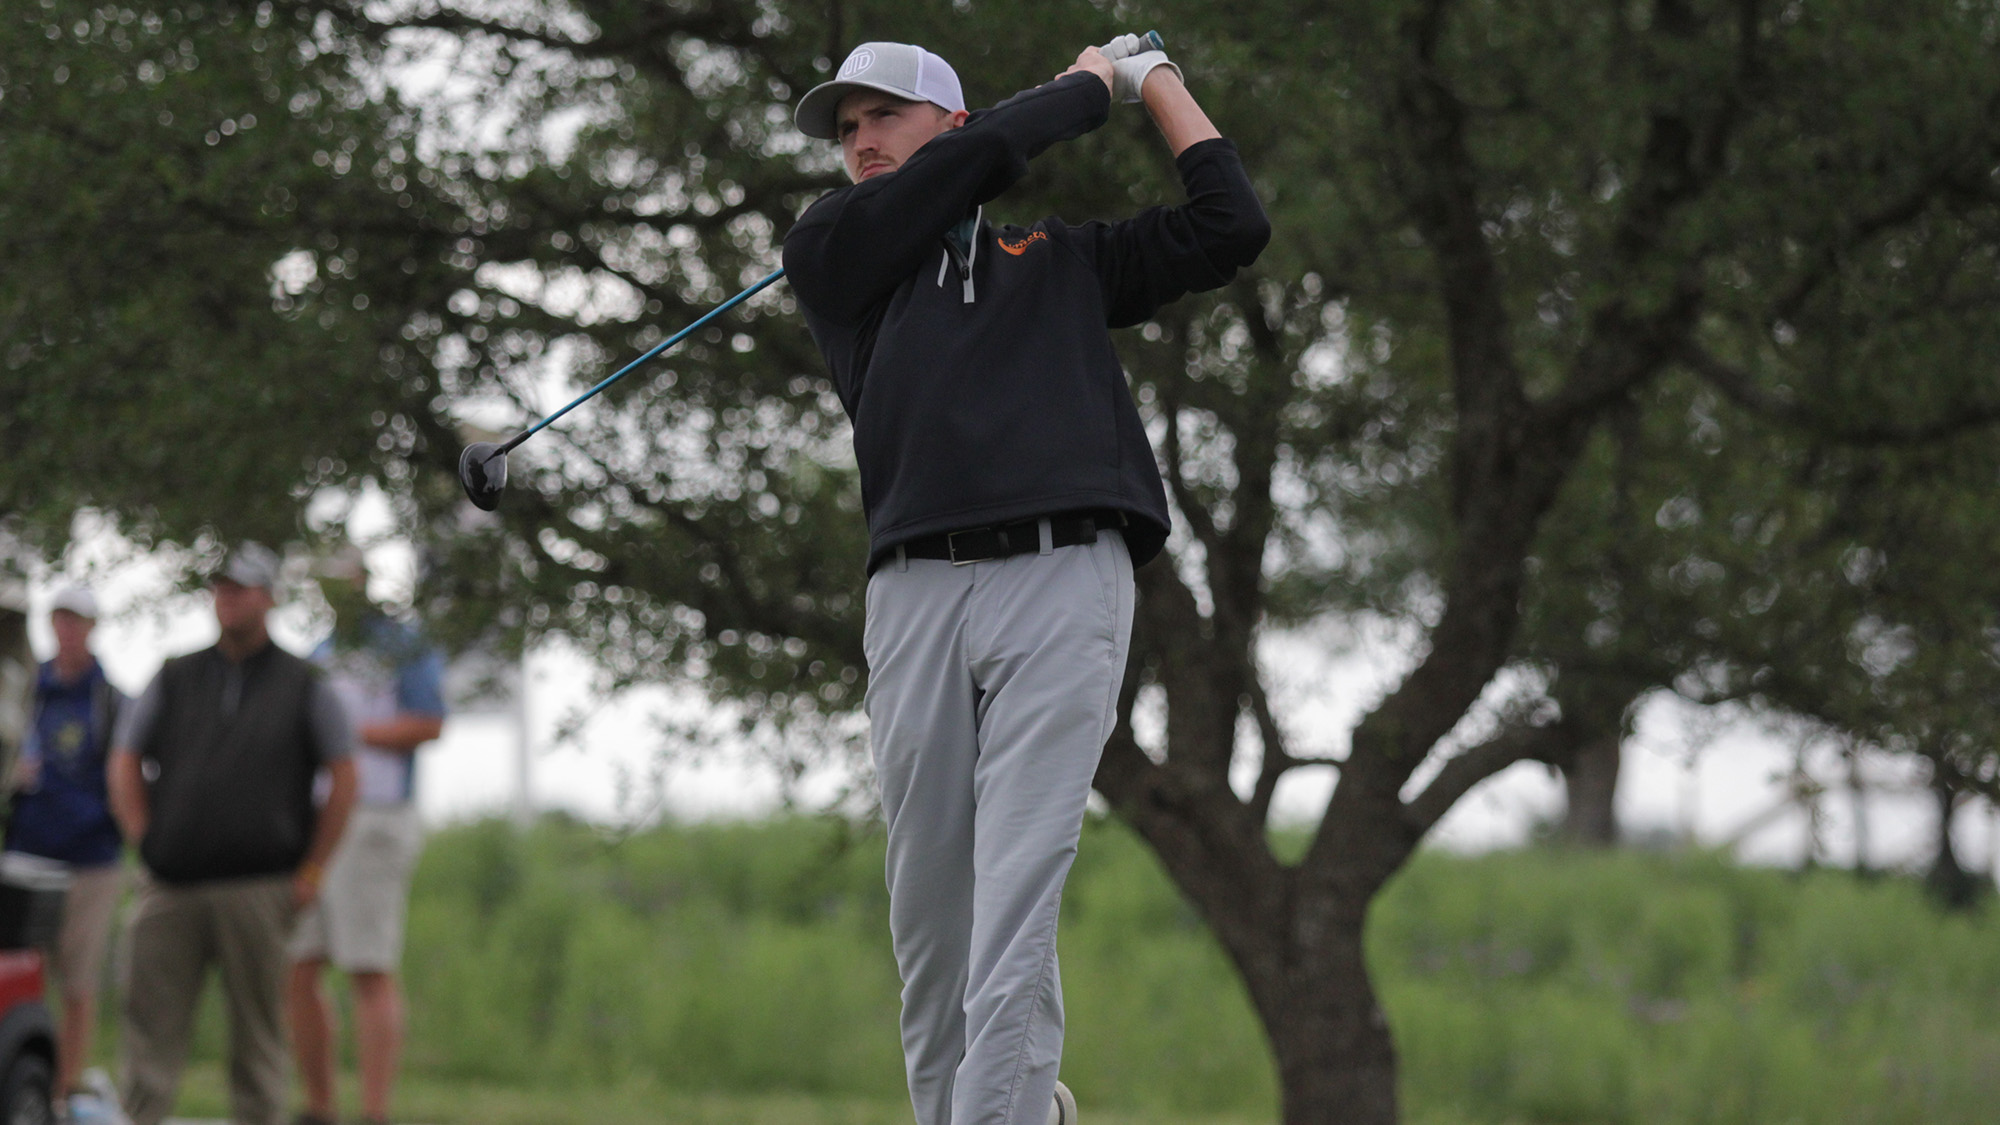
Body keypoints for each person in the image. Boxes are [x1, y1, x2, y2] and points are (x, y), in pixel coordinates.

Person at [781, 36, 1269, 1125]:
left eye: (884, 117)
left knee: (1014, 891)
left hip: (1061, 580)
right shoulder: (831, 252)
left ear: (947, 124)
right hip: (912, 595)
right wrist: (1074, 91)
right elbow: (981, 161)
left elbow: (1230, 224)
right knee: (929, 918)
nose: (859, 141)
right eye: (845, 128)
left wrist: (1151, 84)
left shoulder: (1061, 260)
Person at [107, 543, 357, 1125]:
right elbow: (124, 758)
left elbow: (344, 778)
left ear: (267, 598)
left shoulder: (304, 683)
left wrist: (313, 870)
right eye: (220, 587)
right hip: (171, 883)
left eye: (239, 589)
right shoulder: (174, 676)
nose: (226, 598)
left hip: (261, 885)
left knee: (259, 1041)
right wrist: (144, 839)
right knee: (149, 1034)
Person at [287, 546, 446, 1125]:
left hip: (375, 817)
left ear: (362, 583)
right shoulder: (318, 655)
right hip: (317, 822)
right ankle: (319, 1107)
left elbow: (429, 722)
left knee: (367, 967)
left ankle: (374, 1113)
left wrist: (347, 734)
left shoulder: (403, 645)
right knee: (300, 967)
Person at [6, 585, 126, 1118]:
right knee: (25, 976)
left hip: (91, 858)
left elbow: (128, 771)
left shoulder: (109, 697)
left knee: (78, 980)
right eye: (61, 619)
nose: (68, 630)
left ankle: (65, 1090)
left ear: (92, 627)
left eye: (77, 621)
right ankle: (28, 1080)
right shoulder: (32, 691)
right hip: (28, 854)